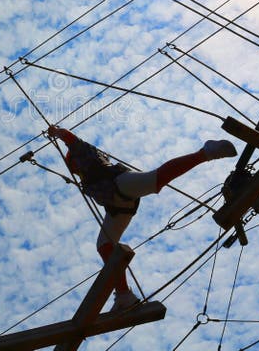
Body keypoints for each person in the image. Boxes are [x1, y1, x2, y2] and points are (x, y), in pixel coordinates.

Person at [47, 125, 237, 312]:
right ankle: (124, 296)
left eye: (72, 166)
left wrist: (57, 132)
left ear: (74, 160)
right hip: (118, 206)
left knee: (155, 179)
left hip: (120, 184)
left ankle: (206, 152)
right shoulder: (85, 177)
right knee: (104, 245)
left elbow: (71, 139)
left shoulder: (84, 154)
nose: (74, 170)